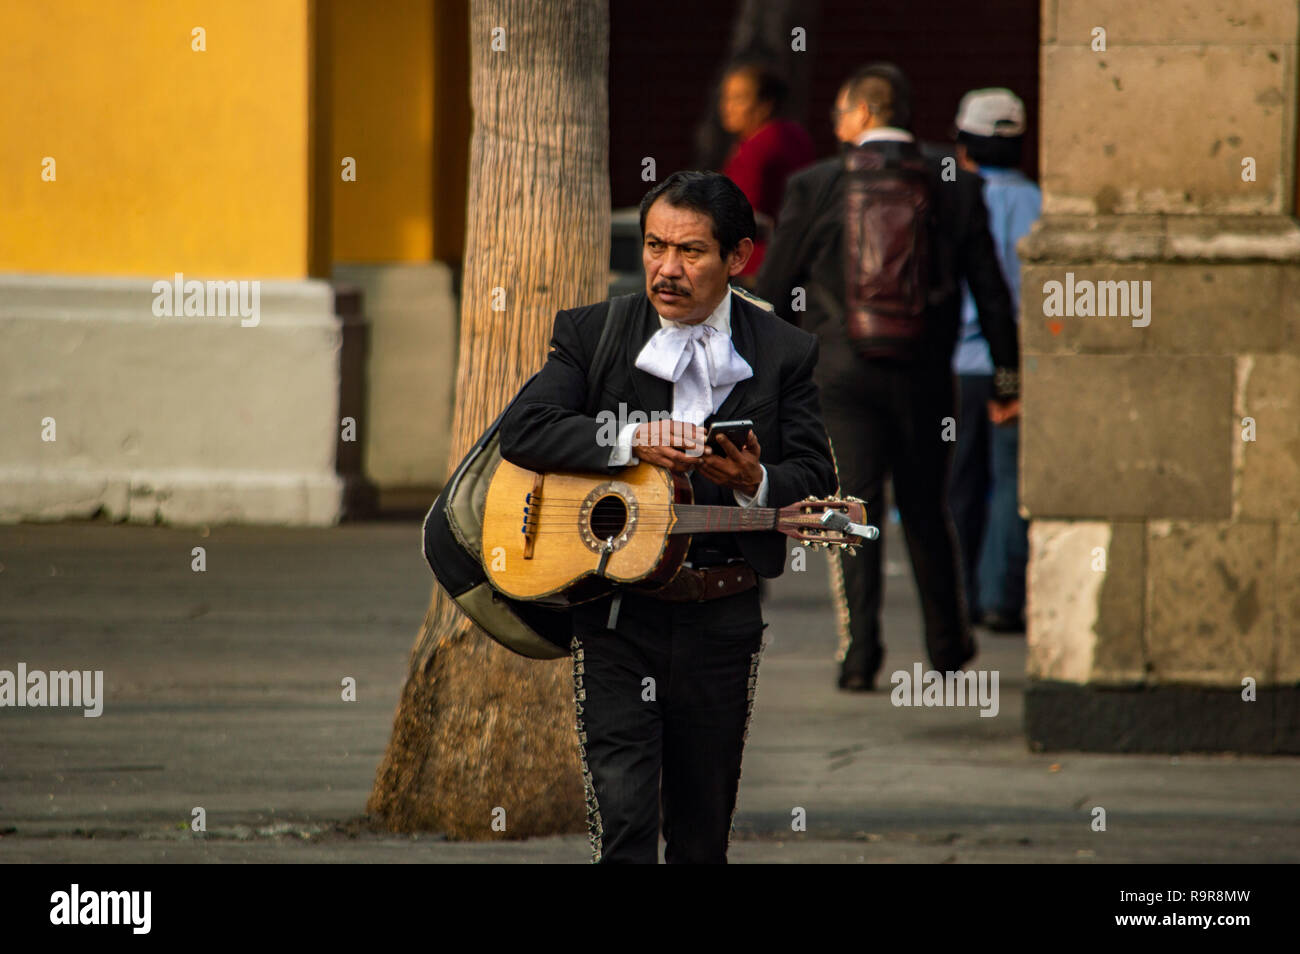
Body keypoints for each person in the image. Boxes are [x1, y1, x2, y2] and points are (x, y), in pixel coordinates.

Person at [498, 171, 837, 863]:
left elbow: (815, 482)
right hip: (618, 614)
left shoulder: (784, 351)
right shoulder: (594, 332)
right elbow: (525, 429)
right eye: (655, 246)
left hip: (723, 618)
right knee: (624, 826)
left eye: (690, 252)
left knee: (700, 836)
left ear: (738, 257)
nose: (667, 269)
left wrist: (758, 482)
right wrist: (626, 441)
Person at [756, 63, 1020, 691]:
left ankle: (859, 658)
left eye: (840, 114)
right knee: (929, 508)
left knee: (851, 510)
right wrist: (1008, 378)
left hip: (842, 380)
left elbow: (772, 293)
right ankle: (949, 648)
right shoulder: (954, 183)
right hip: (929, 378)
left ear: (864, 114)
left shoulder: (816, 184)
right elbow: (990, 290)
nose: (835, 125)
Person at [947, 88, 1040, 634]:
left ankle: (959, 595)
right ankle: (1001, 597)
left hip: (960, 366)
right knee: (1011, 482)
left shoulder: (957, 200)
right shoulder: (1041, 205)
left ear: (965, 145)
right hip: (1020, 367)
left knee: (959, 483)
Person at [718, 57, 816, 280]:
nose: (727, 107)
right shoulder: (795, 133)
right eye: (725, 98)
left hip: (756, 265)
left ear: (765, 104)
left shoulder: (760, 146)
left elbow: (738, 211)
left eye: (738, 99)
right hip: (795, 258)